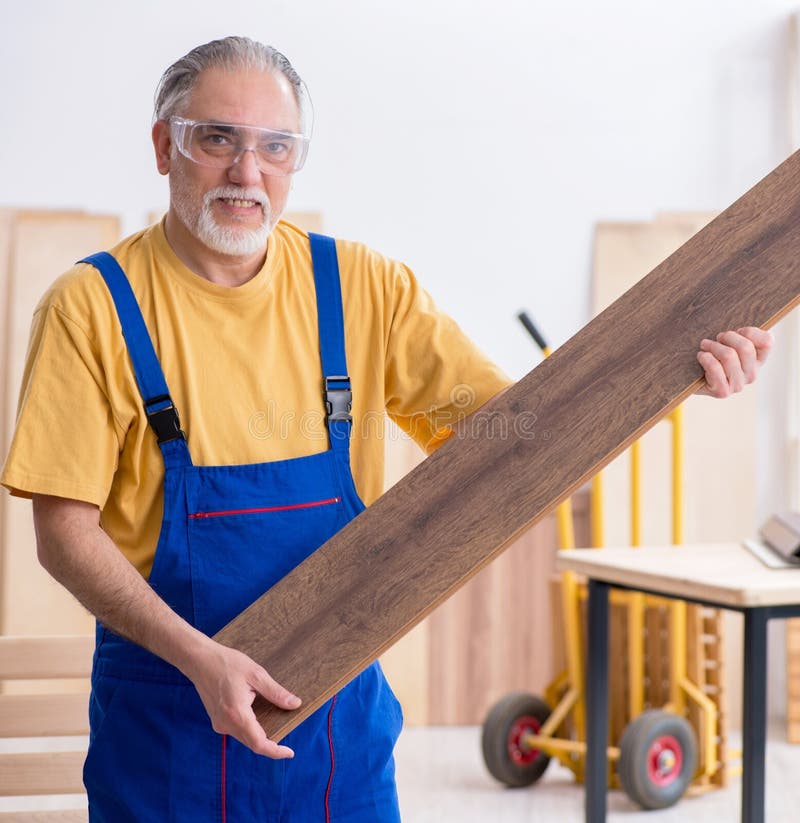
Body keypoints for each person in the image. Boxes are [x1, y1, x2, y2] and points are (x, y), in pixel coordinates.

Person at [0, 35, 772, 822]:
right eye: (217, 139)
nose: (247, 172)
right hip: (169, 737)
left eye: (276, 147)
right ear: (165, 145)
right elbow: (64, 533)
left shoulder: (361, 290)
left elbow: (520, 445)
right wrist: (202, 660)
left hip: (339, 749)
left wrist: (672, 377)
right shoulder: (92, 308)